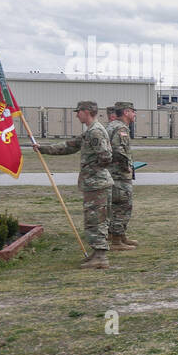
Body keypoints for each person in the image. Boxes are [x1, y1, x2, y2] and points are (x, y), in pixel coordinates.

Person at [34, 99, 113, 267]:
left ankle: (101, 257)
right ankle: (97, 253)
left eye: (79, 111)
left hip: (97, 183)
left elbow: (106, 157)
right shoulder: (90, 131)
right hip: (94, 183)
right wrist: (43, 149)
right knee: (94, 219)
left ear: (87, 111)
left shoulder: (96, 132)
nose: (77, 115)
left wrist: (92, 170)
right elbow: (70, 146)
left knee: (96, 219)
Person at [106, 101, 138, 250]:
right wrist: (127, 168)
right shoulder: (120, 128)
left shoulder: (112, 125)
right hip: (119, 174)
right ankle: (117, 241)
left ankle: (119, 235)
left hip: (113, 173)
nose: (134, 114)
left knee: (117, 206)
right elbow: (119, 151)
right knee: (123, 206)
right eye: (132, 111)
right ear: (126, 112)